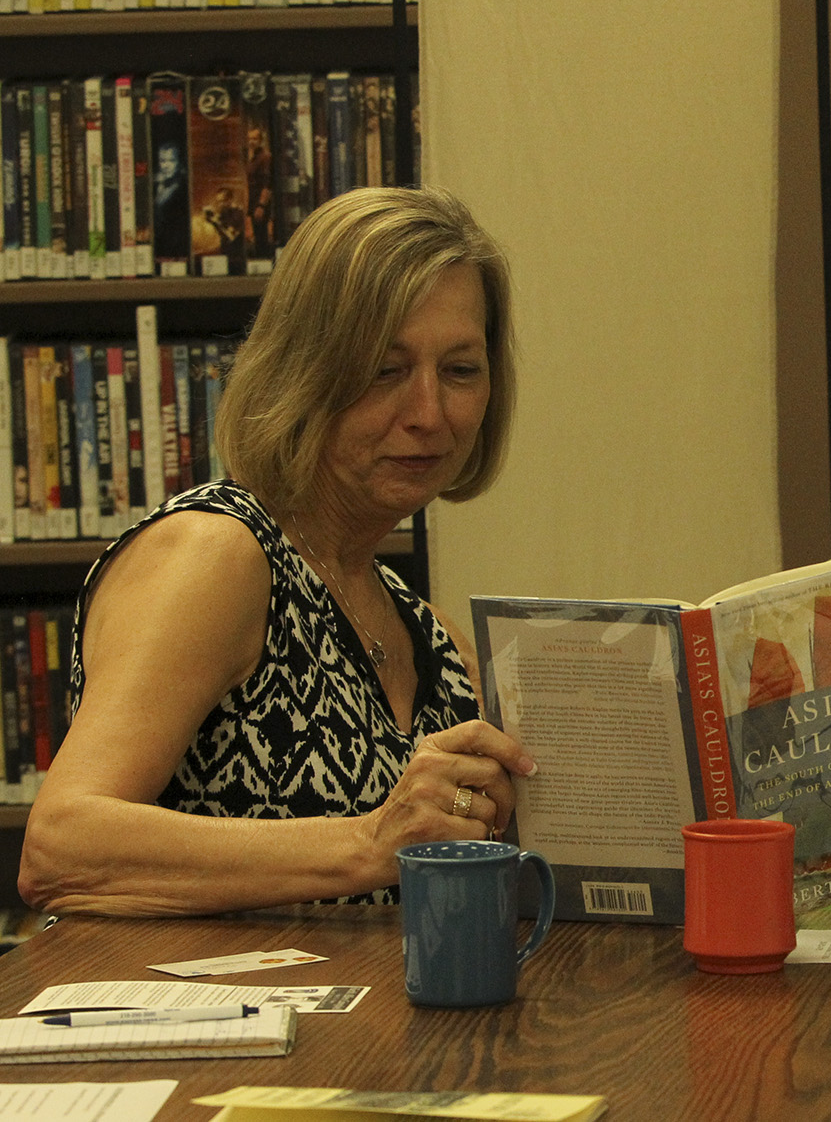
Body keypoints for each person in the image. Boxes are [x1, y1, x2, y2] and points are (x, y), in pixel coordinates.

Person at [19, 187, 538, 916]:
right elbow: (61, 846)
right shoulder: (219, 553)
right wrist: (369, 843)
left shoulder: (434, 636)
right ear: (305, 369)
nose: (429, 414)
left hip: (368, 1030)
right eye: (385, 370)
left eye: (460, 371)